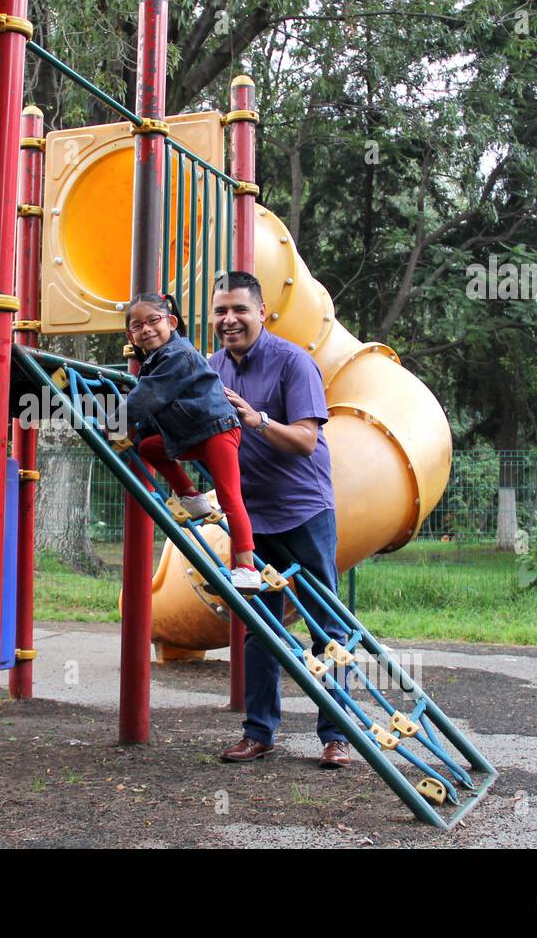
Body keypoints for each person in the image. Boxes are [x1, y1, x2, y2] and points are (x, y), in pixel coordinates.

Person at [207, 270, 352, 768]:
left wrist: (257, 419)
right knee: (259, 626)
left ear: (262, 313)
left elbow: (306, 440)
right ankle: (259, 732)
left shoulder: (294, 363)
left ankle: (337, 735)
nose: (230, 320)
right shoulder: (211, 369)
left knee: (326, 625)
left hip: (302, 512)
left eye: (240, 310)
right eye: (221, 311)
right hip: (249, 520)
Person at [122, 293, 261, 593]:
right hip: (191, 432)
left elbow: (148, 396)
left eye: (153, 321)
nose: (145, 329)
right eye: (137, 326)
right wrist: (134, 430)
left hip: (217, 429)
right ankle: (190, 495)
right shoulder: (156, 361)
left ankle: (247, 569)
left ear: (171, 322)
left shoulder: (178, 355)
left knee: (230, 497)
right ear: (130, 335)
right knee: (149, 448)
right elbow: (150, 410)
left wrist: (115, 421)